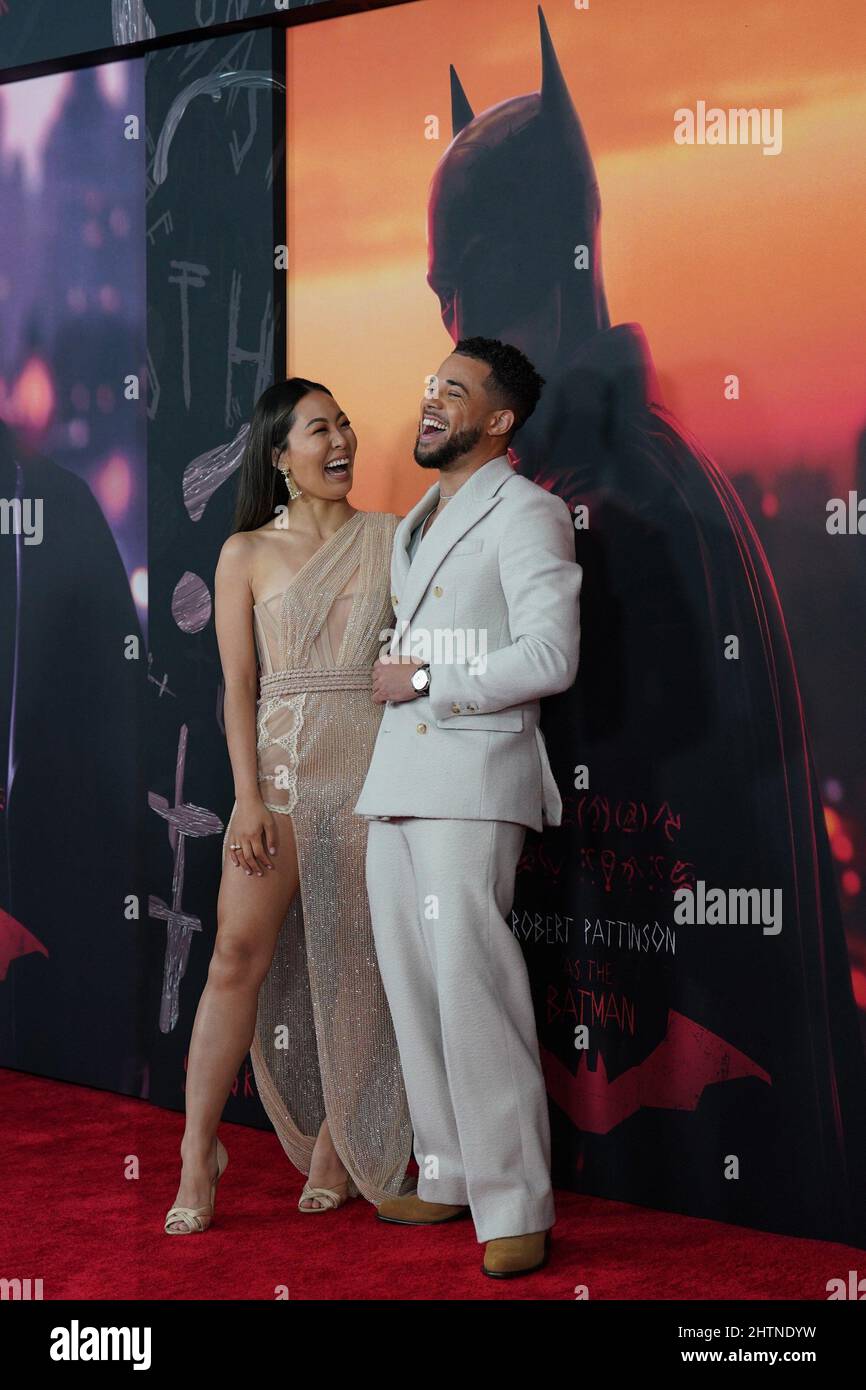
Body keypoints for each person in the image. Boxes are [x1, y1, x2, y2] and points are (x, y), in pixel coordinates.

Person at [354, 337, 582, 1277]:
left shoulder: (528, 514)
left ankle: (518, 1199)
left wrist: (425, 677)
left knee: (474, 993)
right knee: (415, 989)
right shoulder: (416, 519)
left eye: (455, 390)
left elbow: (550, 658)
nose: (432, 399)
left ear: (500, 420)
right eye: (430, 384)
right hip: (400, 781)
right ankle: (447, 1172)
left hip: (473, 781)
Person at [164, 378, 412, 1233]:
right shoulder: (245, 553)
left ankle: (340, 1142)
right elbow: (238, 688)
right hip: (278, 781)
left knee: (357, 964)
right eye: (319, 429)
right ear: (280, 457)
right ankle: (200, 1150)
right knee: (237, 951)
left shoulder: (392, 538)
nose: (340, 439)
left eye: (345, 423)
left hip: (374, 773)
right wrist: (245, 799)